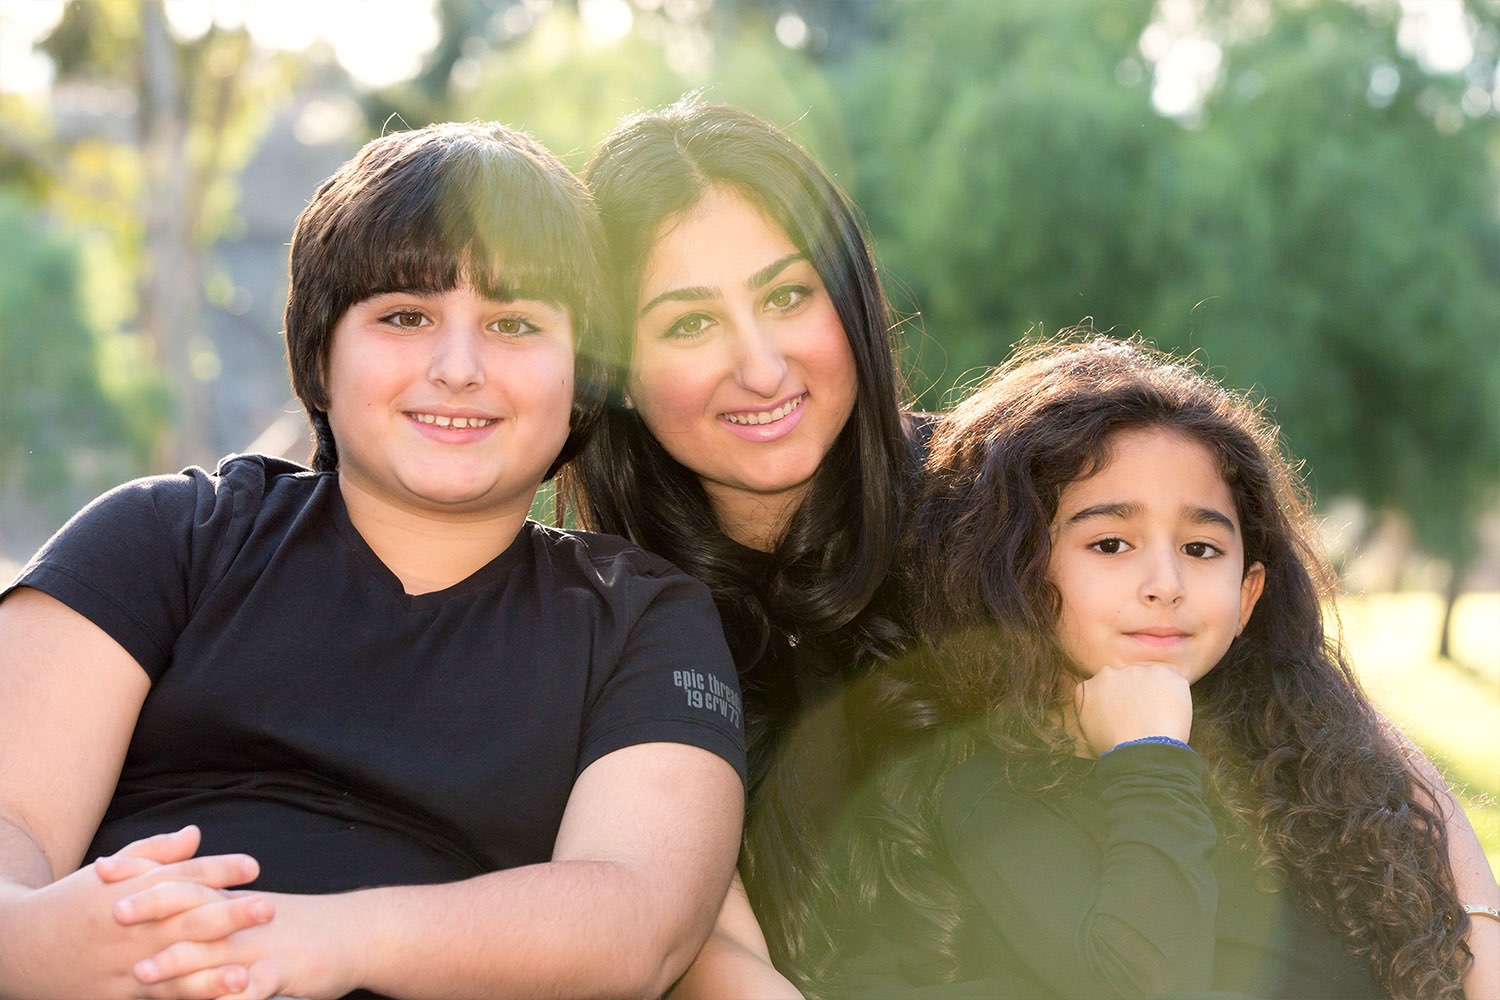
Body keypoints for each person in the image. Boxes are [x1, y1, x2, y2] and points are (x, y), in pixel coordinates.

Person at [564, 97, 1500, 997]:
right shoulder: (616, 631)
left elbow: (1329, 718)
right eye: (689, 322)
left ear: (847, 298)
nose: (762, 366)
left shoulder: (1002, 502)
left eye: (788, 295)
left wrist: (1477, 938)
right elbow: (695, 944)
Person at [0, 120, 746, 1000]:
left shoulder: (642, 622)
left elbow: (637, 923)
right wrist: (48, 942)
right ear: (322, 352)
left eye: (514, 322)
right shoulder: (167, 539)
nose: (458, 367)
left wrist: (320, 940)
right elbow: (15, 820)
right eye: (405, 315)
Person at [832, 336, 1498, 999]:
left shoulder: (1306, 763)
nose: (1165, 583)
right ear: (1019, 573)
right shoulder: (988, 789)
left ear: (1248, 597)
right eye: (1111, 543)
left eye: (1202, 548)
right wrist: (1147, 754)